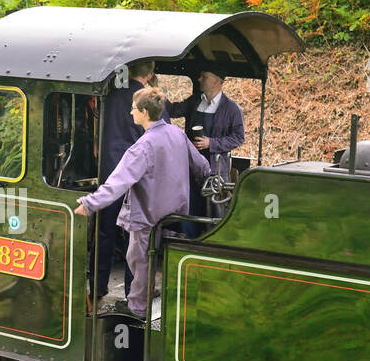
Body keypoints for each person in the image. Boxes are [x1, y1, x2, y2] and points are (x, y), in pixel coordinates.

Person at [75, 88, 210, 319]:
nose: (130, 112)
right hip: (177, 213)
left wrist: (89, 203)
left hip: (149, 215)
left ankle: (137, 310)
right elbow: (202, 167)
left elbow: (117, 183)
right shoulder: (177, 134)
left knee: (138, 262)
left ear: (144, 112)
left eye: (133, 108)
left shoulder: (142, 147)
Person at [94, 58, 156, 302]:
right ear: (150, 75)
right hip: (135, 176)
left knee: (104, 232)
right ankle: (133, 292)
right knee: (136, 236)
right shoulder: (150, 101)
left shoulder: (109, 96)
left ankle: (97, 285)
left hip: (109, 170)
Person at [168, 70, 246, 229]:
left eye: (204, 77)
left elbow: (239, 137)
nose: (199, 79)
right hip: (189, 166)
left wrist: (212, 143)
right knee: (189, 203)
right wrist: (156, 93)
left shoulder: (232, 109)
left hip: (215, 169)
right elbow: (173, 110)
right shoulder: (195, 101)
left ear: (217, 81)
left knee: (214, 209)